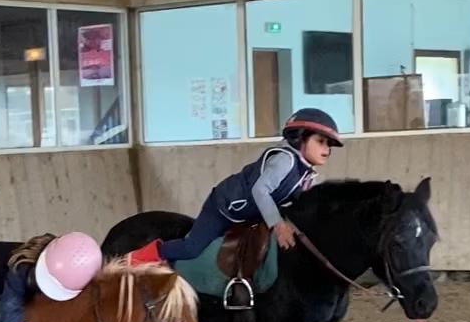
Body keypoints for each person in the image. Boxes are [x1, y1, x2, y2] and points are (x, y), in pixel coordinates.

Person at [127, 109, 342, 268]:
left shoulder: (307, 174)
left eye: (328, 146)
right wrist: (278, 225)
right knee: (191, 249)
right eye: (321, 142)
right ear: (299, 138)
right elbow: (260, 191)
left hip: (252, 216)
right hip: (223, 207)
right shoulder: (284, 160)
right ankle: (134, 259)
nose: (326, 150)